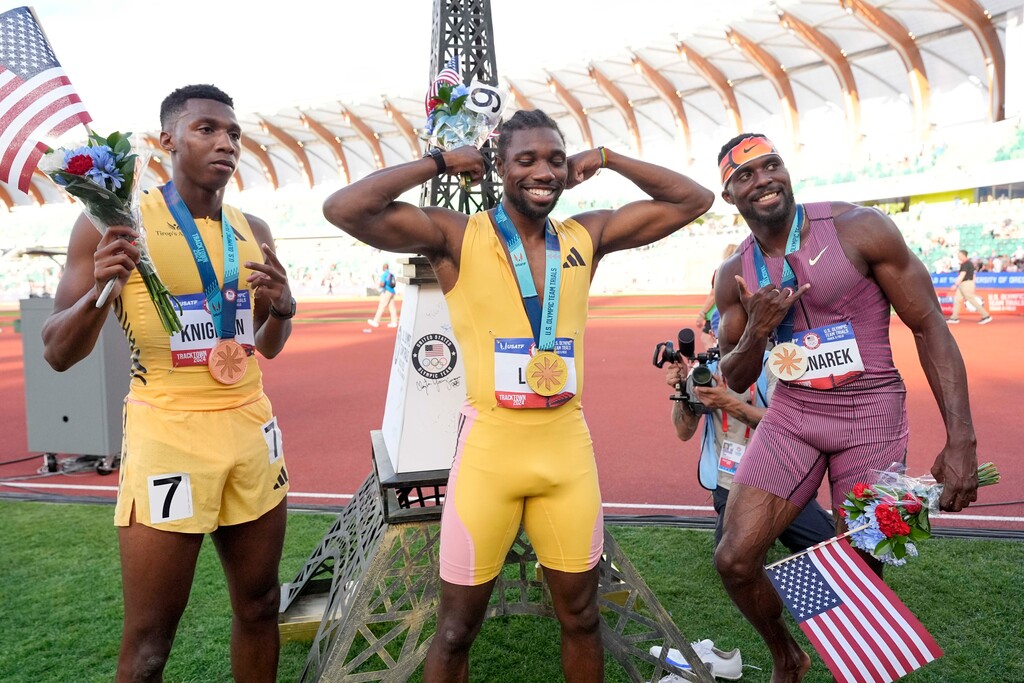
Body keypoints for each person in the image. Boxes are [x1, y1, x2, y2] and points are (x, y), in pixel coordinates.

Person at [322, 109, 714, 682]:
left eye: (555, 158)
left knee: (581, 619)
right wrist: (437, 161)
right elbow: (345, 209)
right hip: (490, 454)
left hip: (566, 453)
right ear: (499, 167)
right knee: (455, 631)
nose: (544, 171)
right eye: (526, 159)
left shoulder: (587, 234)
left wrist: (606, 158)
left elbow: (694, 200)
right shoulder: (457, 236)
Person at [41, 84, 295, 682]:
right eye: (206, 128)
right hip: (168, 435)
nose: (225, 142)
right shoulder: (113, 223)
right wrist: (103, 288)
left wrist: (281, 307)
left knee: (260, 608)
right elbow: (57, 352)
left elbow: (266, 347)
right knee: (151, 643)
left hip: (250, 427)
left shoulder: (253, 227)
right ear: (167, 141)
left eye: (233, 133)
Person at [710, 133, 980, 682]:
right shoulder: (733, 275)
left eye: (771, 165)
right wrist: (758, 329)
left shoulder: (860, 227)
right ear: (729, 196)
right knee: (734, 560)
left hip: (872, 416)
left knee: (859, 569)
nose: (762, 179)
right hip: (794, 415)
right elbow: (734, 377)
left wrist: (961, 440)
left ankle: (851, 663)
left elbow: (929, 325)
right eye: (745, 175)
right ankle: (789, 655)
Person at [663, 351, 833, 552]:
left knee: (830, 547)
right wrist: (681, 390)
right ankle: (759, 532)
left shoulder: (774, 363)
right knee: (732, 561)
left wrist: (726, 402)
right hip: (730, 486)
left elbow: (783, 422)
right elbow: (684, 432)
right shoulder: (705, 371)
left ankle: (767, 529)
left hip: (779, 483)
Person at [696, 243, 738, 348]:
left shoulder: (721, 271)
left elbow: (713, 294)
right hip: (734, 310)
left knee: (708, 338)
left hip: (718, 312)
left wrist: (702, 313)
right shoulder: (741, 270)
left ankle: (714, 362)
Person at [948, 249, 993, 324]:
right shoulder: (968, 263)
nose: (958, 257)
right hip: (965, 284)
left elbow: (962, 275)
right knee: (957, 299)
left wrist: (955, 284)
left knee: (971, 300)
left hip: (966, 283)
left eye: (959, 255)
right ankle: (954, 317)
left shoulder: (966, 264)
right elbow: (974, 274)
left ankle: (986, 316)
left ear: (963, 255)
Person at [368, 261, 398, 328]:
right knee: (392, 307)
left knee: (381, 306)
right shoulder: (391, 274)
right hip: (392, 291)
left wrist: (377, 286)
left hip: (386, 291)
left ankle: (376, 321)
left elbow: (382, 284)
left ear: (383, 268)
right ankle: (394, 322)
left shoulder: (384, 274)